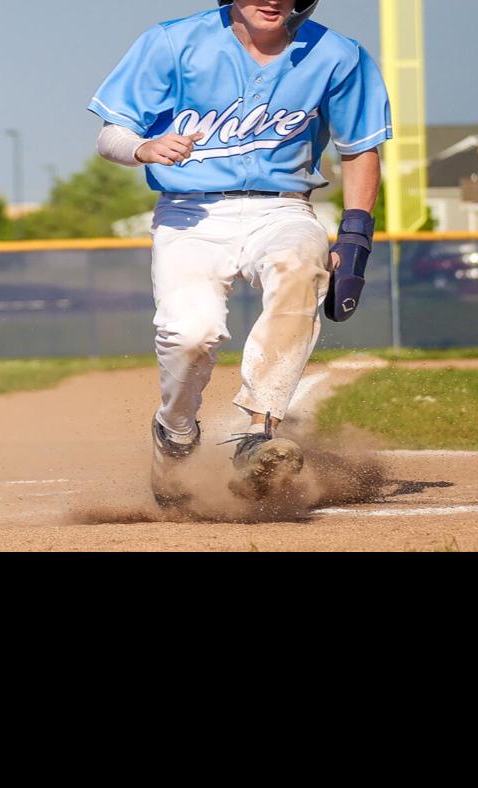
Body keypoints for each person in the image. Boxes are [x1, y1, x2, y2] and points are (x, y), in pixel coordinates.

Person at [87, 0, 390, 507]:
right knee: (191, 334)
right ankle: (175, 432)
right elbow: (110, 133)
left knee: (300, 265)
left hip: (284, 209)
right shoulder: (173, 42)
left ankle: (259, 433)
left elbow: (359, 148)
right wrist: (142, 147)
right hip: (189, 213)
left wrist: (355, 237)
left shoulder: (337, 55)